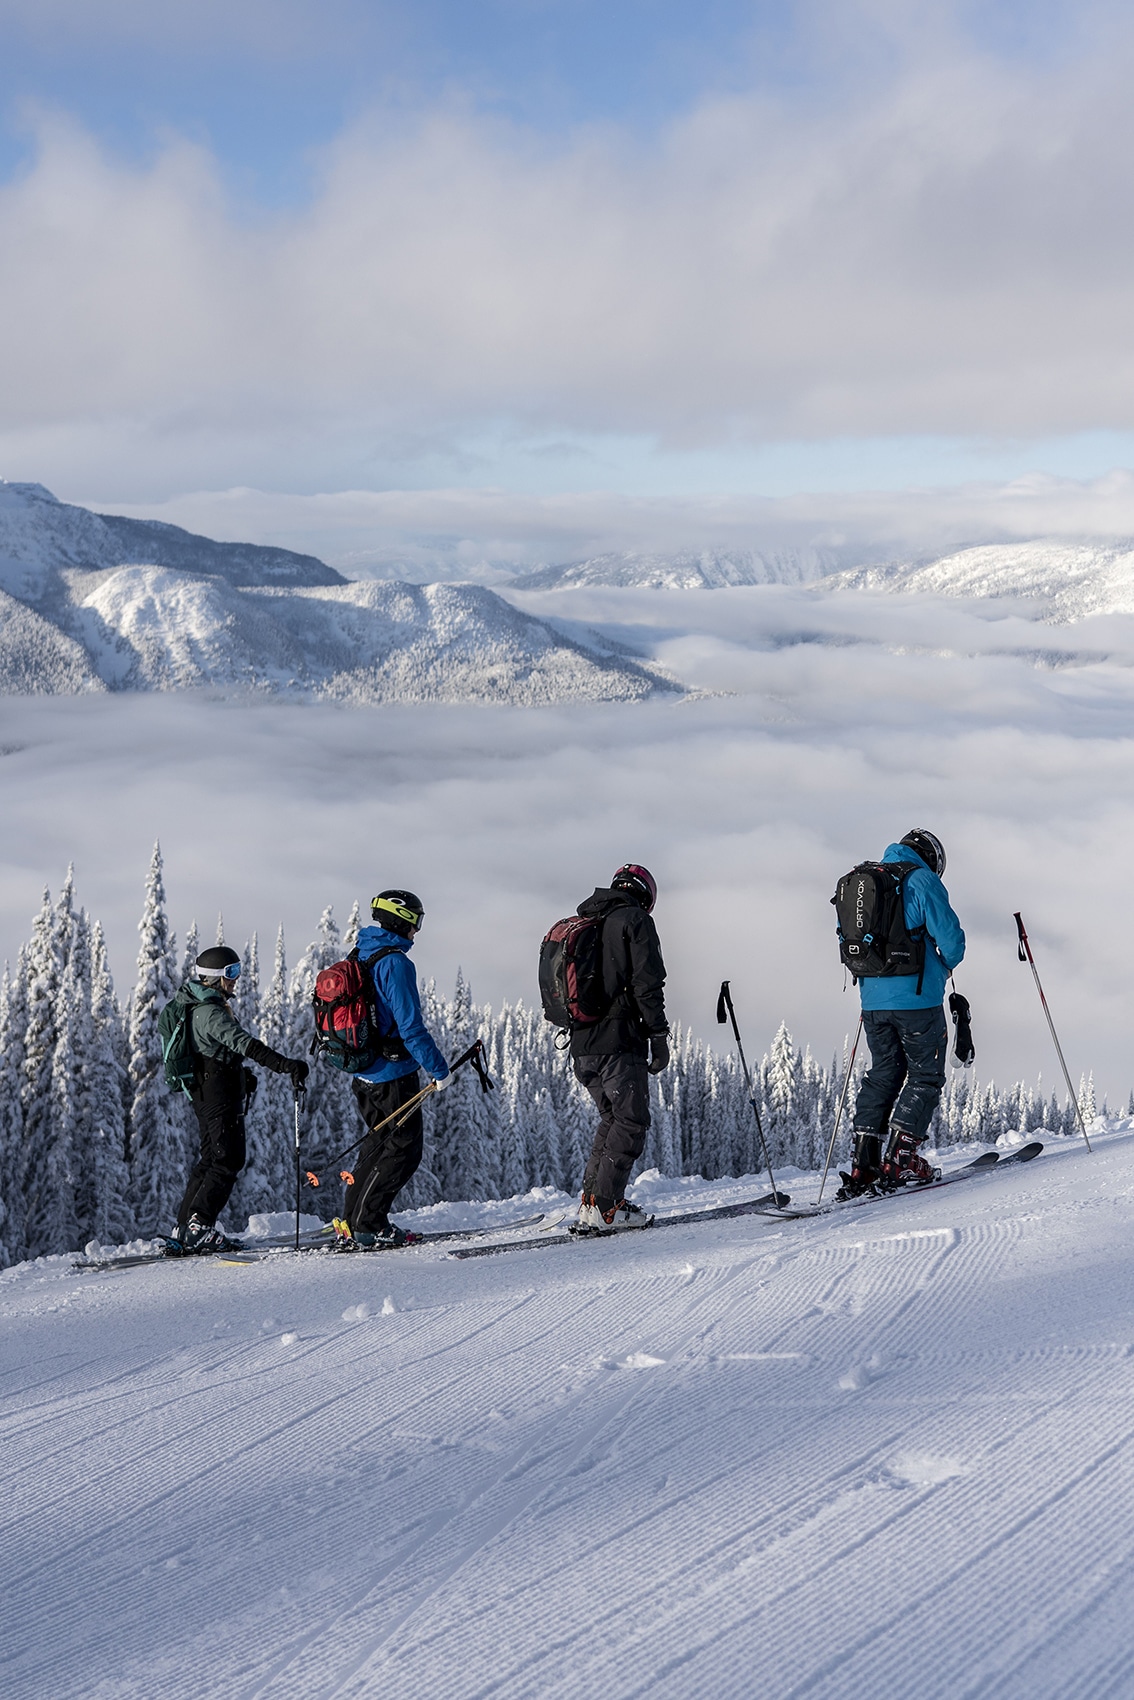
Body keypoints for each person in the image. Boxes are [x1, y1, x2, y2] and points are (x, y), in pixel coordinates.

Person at [839, 829, 966, 1199]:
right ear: (932, 858)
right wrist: (945, 967)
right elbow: (951, 940)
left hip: (872, 1001)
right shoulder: (921, 880)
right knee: (925, 1075)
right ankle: (901, 1159)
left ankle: (864, 1162)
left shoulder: (865, 880)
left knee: (883, 1073)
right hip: (917, 999)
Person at [332, 890, 452, 1250]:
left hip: (363, 1071)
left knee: (376, 1145)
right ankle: (369, 1225)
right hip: (392, 1074)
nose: (417, 930)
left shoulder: (362, 952)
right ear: (402, 921)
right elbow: (411, 1028)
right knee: (404, 1150)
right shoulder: (396, 963)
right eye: (416, 921)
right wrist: (439, 1070)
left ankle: (353, 1220)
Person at [170, 945, 310, 1254]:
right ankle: (199, 1226)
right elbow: (245, 1044)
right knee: (227, 1159)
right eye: (230, 973)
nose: (236, 979)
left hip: (207, 1091)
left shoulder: (200, 1007)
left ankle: (185, 1227)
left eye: (237, 971)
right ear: (214, 977)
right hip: (217, 1095)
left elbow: (217, 1051)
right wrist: (285, 1065)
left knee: (211, 1158)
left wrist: (240, 1074)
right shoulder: (210, 1012)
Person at [570, 863, 670, 1234]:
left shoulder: (588, 920)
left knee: (612, 1119)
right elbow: (647, 983)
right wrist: (658, 1036)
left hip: (582, 1044)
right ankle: (606, 1207)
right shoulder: (635, 920)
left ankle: (592, 1203)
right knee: (630, 1121)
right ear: (646, 895)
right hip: (619, 1041)